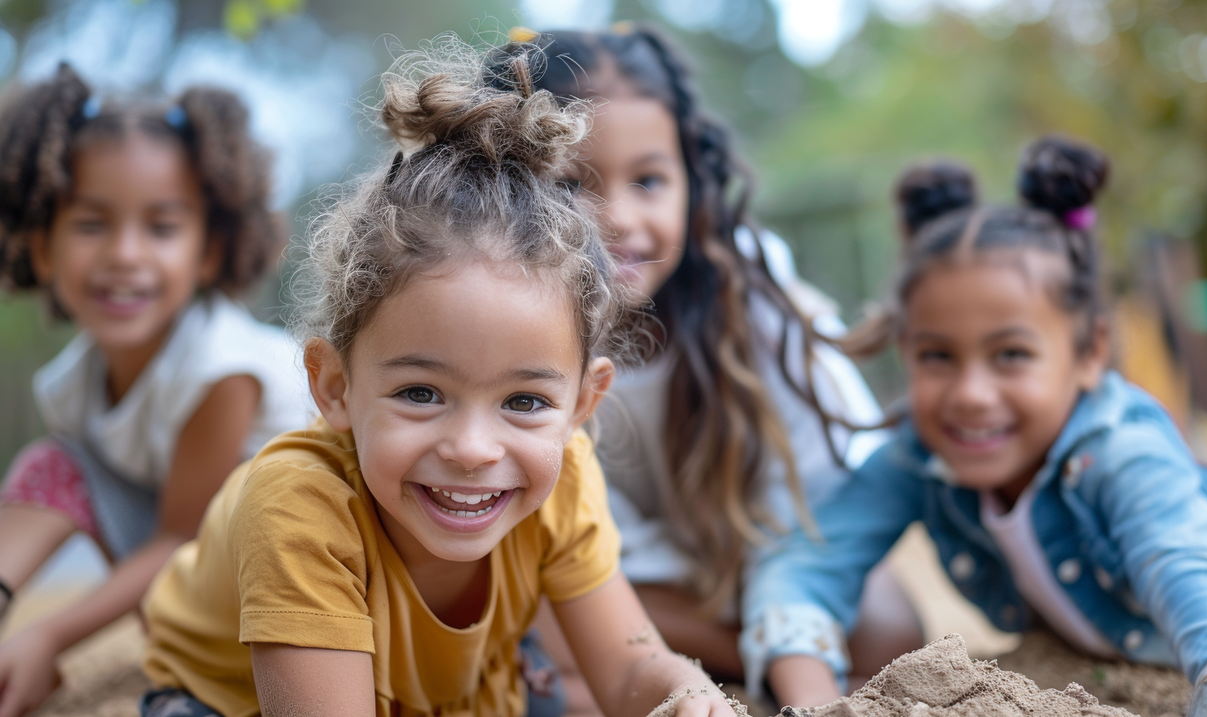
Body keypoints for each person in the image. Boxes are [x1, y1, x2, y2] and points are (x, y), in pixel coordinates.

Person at [137, 37, 740, 717]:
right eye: (421, 393)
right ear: (334, 386)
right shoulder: (300, 505)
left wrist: (687, 694)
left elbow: (630, 664)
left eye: (524, 400)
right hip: (229, 698)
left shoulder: (565, 476)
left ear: (582, 401)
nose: (473, 447)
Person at [741, 135, 1207, 717]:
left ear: (1089, 352)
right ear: (905, 351)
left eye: (1011, 355)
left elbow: (1185, 565)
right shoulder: (921, 458)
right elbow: (809, 560)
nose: (971, 396)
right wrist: (816, 702)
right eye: (937, 357)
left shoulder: (1119, 450)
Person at [507, 25, 922, 704]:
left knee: (889, 623)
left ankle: (746, 658)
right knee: (541, 611)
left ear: (691, 181)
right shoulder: (505, 329)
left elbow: (819, 493)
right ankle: (729, 668)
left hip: (759, 566)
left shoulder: (748, 295)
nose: (619, 217)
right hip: (597, 582)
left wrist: (780, 613)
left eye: (648, 179)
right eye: (572, 184)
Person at [0, 65, 309, 717]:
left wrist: (49, 634)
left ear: (207, 251)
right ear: (43, 248)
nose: (125, 253)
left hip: (303, 569)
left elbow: (179, 533)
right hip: (201, 572)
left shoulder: (223, 368)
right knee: (54, 464)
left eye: (161, 227)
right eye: (91, 224)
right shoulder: (73, 383)